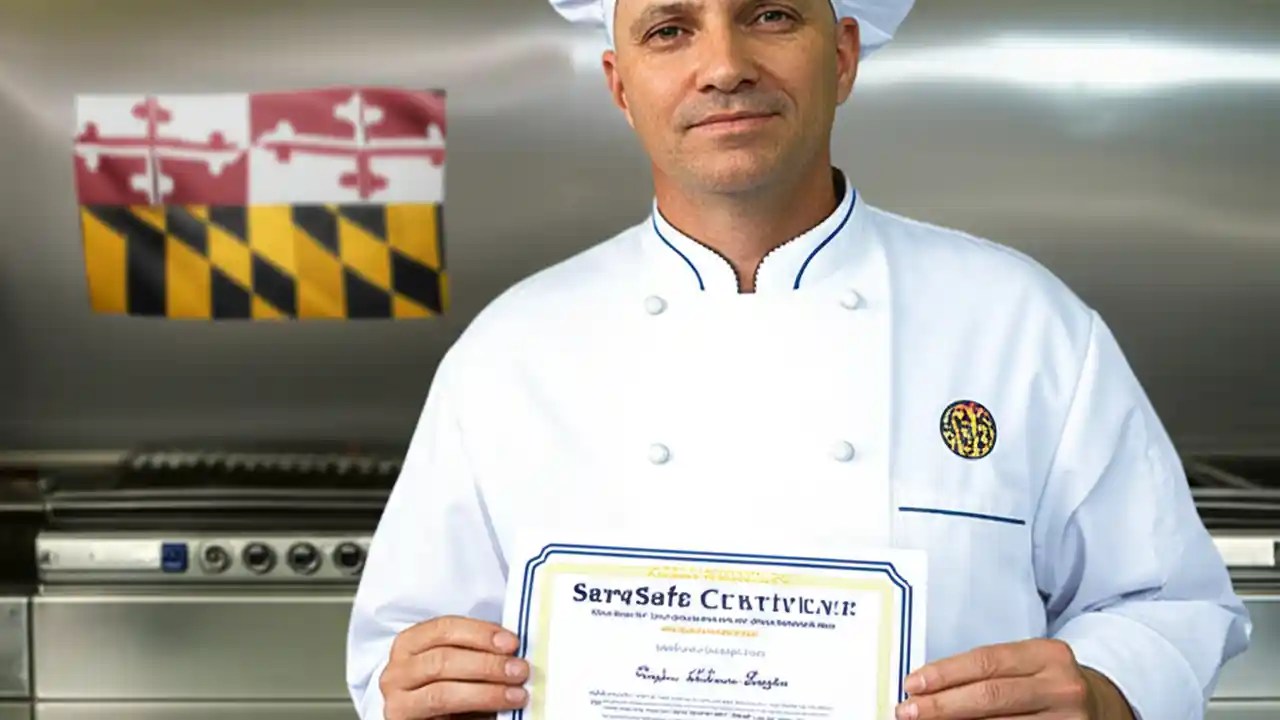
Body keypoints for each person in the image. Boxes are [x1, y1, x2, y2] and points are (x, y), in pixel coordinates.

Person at [345, 0, 1253, 718]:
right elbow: (397, 646)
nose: (725, 66)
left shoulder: (1021, 321)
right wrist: (416, 686)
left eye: (772, 15)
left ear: (843, 56)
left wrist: (1102, 691)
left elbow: (1170, 602)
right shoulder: (512, 350)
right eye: (670, 30)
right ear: (621, 86)